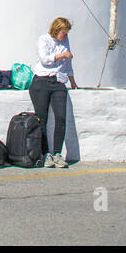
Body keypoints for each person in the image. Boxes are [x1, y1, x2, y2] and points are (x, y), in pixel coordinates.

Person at [31, 17, 78, 168]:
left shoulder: (65, 41)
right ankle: (46, 154)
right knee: (41, 119)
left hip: (58, 82)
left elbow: (68, 64)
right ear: (57, 30)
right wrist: (61, 55)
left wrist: (73, 82)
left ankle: (58, 153)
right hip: (42, 81)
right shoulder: (44, 40)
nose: (65, 36)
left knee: (61, 118)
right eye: (63, 33)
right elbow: (45, 60)